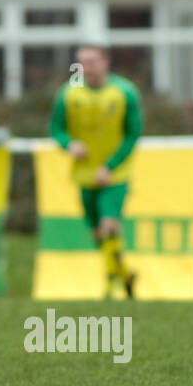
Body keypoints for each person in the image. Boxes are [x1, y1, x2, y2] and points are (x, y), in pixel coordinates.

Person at [49, 43, 142, 299]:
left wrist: (110, 166)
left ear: (105, 63)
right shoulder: (68, 94)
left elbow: (133, 134)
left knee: (109, 226)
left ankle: (111, 285)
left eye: (91, 62)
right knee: (97, 234)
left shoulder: (124, 93)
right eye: (80, 63)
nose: (85, 68)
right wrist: (70, 144)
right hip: (85, 175)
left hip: (115, 175)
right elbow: (56, 129)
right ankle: (125, 275)